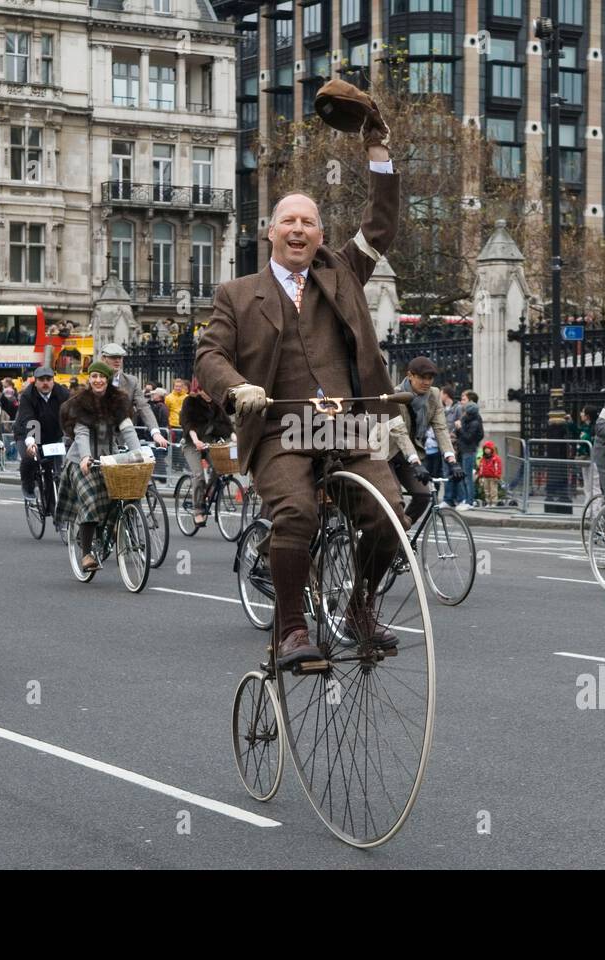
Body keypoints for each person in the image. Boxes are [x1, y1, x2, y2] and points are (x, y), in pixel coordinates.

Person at [196, 93, 406, 669]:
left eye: (308, 222)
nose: (298, 229)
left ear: (319, 235)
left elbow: (381, 223)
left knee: (391, 514)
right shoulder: (237, 295)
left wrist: (378, 149)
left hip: (350, 423)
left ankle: (360, 606)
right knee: (295, 513)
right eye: (287, 220)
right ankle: (292, 628)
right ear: (269, 233)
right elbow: (209, 357)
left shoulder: (342, 272)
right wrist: (236, 387)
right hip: (280, 428)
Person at [54, 362, 145, 571]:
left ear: (107, 379)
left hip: (108, 458)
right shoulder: (80, 403)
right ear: (89, 379)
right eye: (94, 376)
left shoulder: (117, 401)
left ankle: (113, 526)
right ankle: (86, 553)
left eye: (101, 376)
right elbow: (82, 433)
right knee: (92, 501)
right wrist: (86, 457)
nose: (98, 380)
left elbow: (127, 429)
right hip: (81, 461)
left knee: (122, 494)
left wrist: (138, 453)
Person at [386, 355, 464, 526]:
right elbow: (399, 433)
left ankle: (401, 533)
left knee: (423, 495)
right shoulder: (396, 395)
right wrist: (415, 462)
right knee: (394, 500)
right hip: (387, 453)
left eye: (430, 378)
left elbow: (441, 428)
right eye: (422, 377)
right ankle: (392, 538)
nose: (427, 382)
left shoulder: (434, 394)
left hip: (410, 454)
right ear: (410, 375)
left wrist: (452, 460)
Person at [178, 378, 235, 527]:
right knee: (198, 475)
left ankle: (208, 492)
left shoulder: (216, 403)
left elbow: (226, 424)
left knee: (221, 468)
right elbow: (187, 423)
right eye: (206, 390)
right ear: (199, 390)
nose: (209, 394)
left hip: (209, 442)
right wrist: (196, 440)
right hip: (192, 443)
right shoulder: (190, 402)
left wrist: (235, 438)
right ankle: (198, 510)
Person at [96, 342, 171, 450]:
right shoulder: (95, 380)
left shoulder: (132, 381)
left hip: (122, 439)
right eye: (113, 357)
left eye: (120, 357)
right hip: (98, 438)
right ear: (103, 358)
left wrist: (155, 432)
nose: (118, 360)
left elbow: (143, 407)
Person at [13, 366, 71, 503]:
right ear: (35, 381)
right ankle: (28, 486)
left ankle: (51, 504)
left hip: (51, 433)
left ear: (53, 380)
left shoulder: (63, 393)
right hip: (27, 432)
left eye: (49, 379)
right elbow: (29, 419)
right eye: (41, 380)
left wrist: (71, 436)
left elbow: (70, 415)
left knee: (53, 471)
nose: (45, 383)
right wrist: (31, 442)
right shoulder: (28, 395)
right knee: (31, 458)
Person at [454, 400, 483, 510]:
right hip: (463, 450)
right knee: (463, 476)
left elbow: (468, 438)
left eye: (465, 411)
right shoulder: (466, 420)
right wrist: (458, 429)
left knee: (467, 477)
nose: (463, 413)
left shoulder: (474, 423)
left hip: (469, 451)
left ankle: (469, 501)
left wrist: (460, 428)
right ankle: (464, 499)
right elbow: (460, 436)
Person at [477, 440, 503, 505]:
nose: (487, 450)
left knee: (493, 491)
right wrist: (480, 476)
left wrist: (497, 476)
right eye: (485, 449)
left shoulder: (496, 458)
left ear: (491, 449)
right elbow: (481, 468)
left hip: (493, 477)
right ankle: (488, 502)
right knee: (486, 491)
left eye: (488, 449)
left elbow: (498, 468)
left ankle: (494, 503)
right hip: (485, 477)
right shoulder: (483, 459)